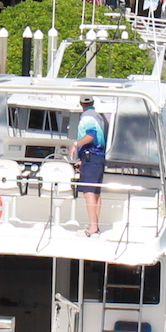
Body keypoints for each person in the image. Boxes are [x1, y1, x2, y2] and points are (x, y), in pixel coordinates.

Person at [68, 95, 107, 236]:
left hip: (91, 156)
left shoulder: (87, 117)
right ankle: (95, 225)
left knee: (89, 191)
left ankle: (93, 227)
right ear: (92, 102)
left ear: (80, 103)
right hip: (97, 156)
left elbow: (91, 135)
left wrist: (75, 144)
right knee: (95, 191)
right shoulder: (98, 117)